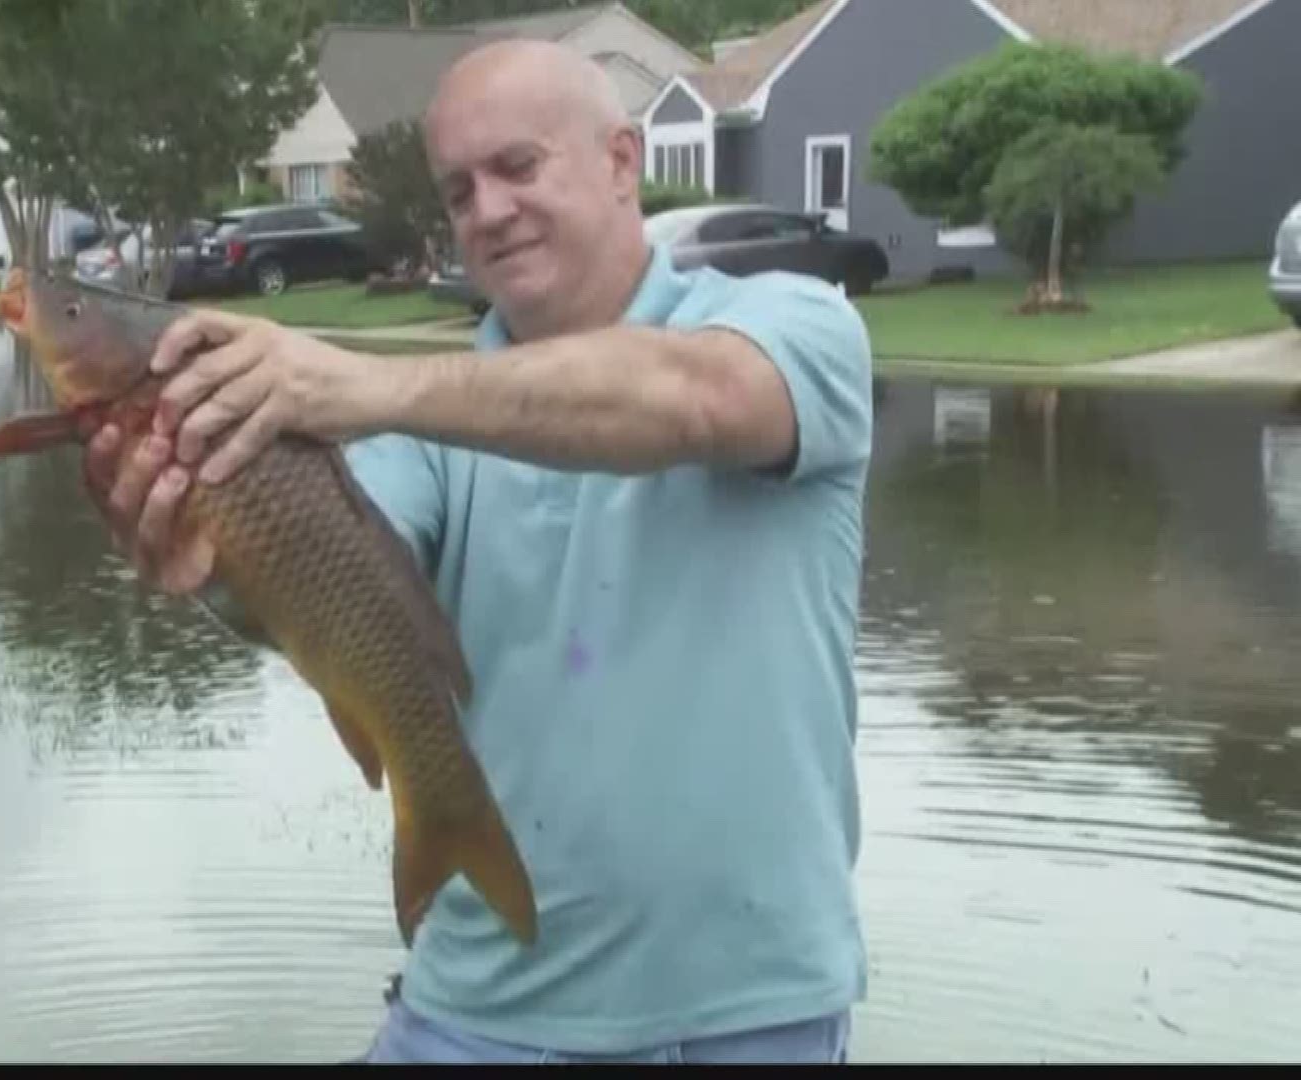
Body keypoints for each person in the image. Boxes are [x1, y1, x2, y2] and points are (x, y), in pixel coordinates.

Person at [80, 38, 874, 1065]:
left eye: (518, 167)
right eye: (459, 190)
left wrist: (367, 385)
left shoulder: (791, 324)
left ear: (623, 162)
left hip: (743, 1019)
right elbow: (330, 593)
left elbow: (695, 400)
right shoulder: (419, 431)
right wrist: (205, 550)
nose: (488, 210)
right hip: (472, 1017)